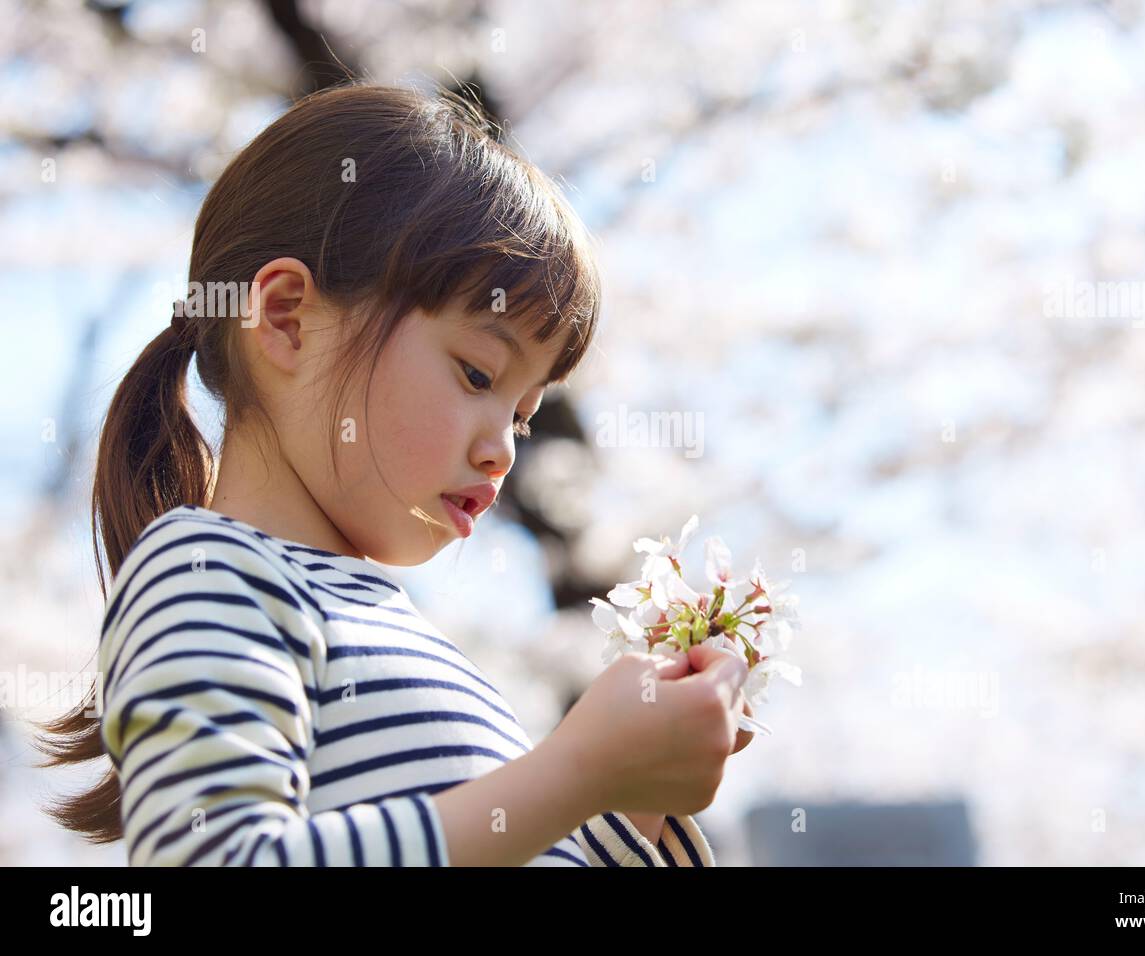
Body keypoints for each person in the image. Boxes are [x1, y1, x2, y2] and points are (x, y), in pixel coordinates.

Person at [33, 81, 752, 866]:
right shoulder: (211, 571)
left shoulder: (408, 637)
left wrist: (630, 802)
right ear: (285, 319)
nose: (504, 451)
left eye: (523, 417)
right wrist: (575, 773)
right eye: (478, 375)